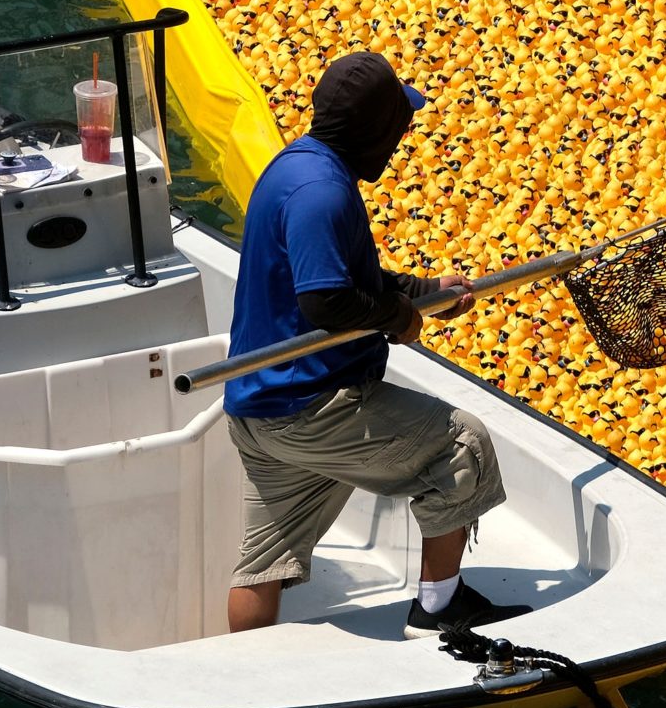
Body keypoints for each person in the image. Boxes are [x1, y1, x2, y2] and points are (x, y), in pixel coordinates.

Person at [222, 50, 531, 638]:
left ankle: (247, 673)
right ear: (375, 131)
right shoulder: (323, 193)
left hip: (260, 409)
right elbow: (327, 301)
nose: (399, 142)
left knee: (265, 561)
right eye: (398, 128)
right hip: (313, 408)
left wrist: (425, 292)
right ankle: (437, 610)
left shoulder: (295, 166)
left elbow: (345, 277)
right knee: (462, 444)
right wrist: (399, 318)